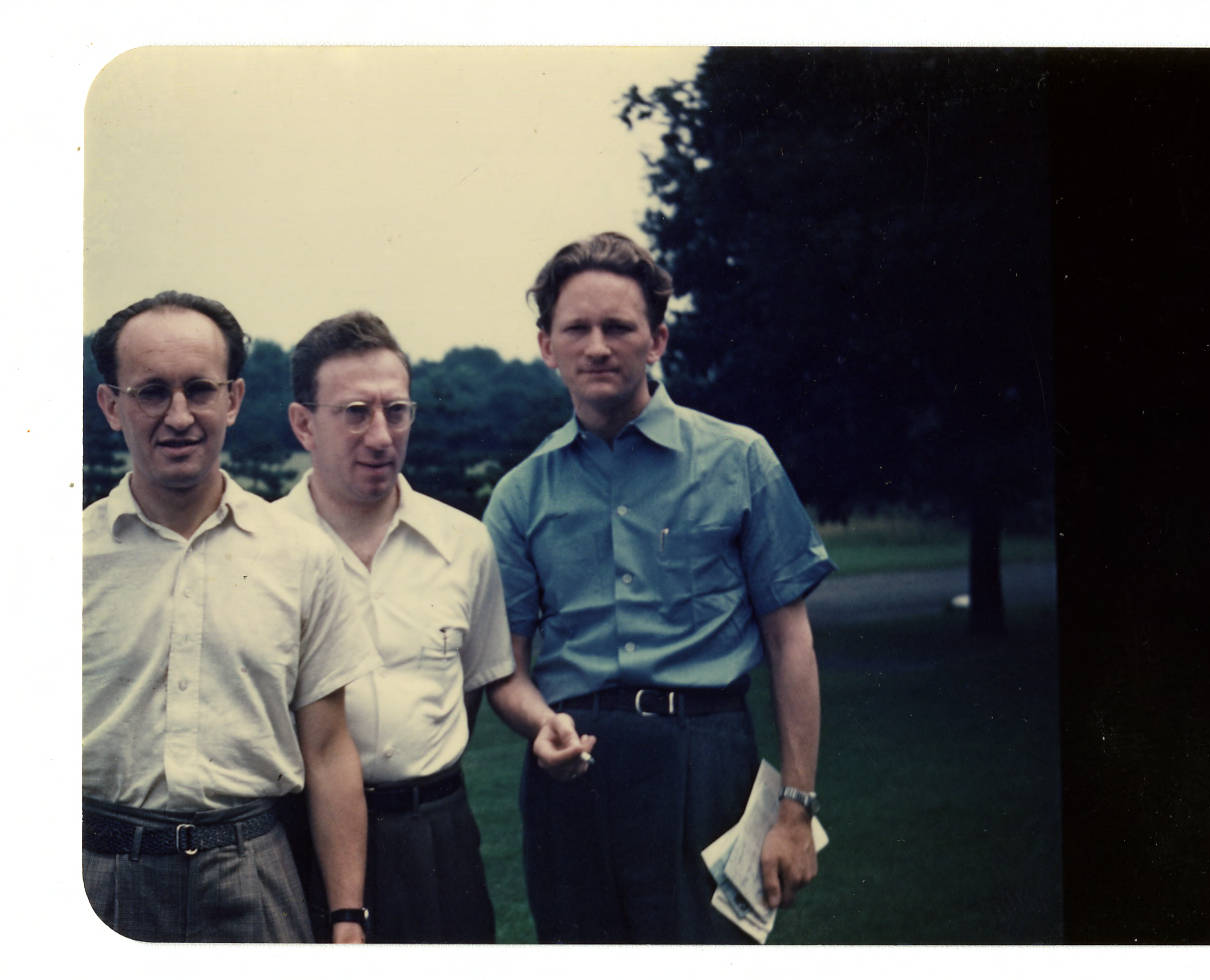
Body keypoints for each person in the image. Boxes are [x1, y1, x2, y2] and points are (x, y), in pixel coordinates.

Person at [483, 232, 834, 943]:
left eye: (619, 327)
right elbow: (506, 671)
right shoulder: (520, 495)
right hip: (571, 772)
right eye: (576, 329)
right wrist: (537, 725)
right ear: (547, 346)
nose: (598, 346)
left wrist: (795, 809)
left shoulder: (740, 460)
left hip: (705, 761)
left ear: (657, 339)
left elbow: (790, 640)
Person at [83, 290, 379, 943]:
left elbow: (329, 749)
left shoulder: (301, 557)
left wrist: (347, 917)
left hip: (254, 875)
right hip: (96, 880)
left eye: (200, 389)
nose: (180, 416)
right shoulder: (60, 561)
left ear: (235, 399)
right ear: (112, 406)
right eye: (152, 392)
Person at [277, 310, 560, 942]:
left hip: (436, 835)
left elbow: (485, 683)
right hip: (298, 834)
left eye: (396, 411)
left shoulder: (463, 542)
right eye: (355, 411)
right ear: (304, 424)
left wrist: (541, 727)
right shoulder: (260, 551)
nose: (380, 435)